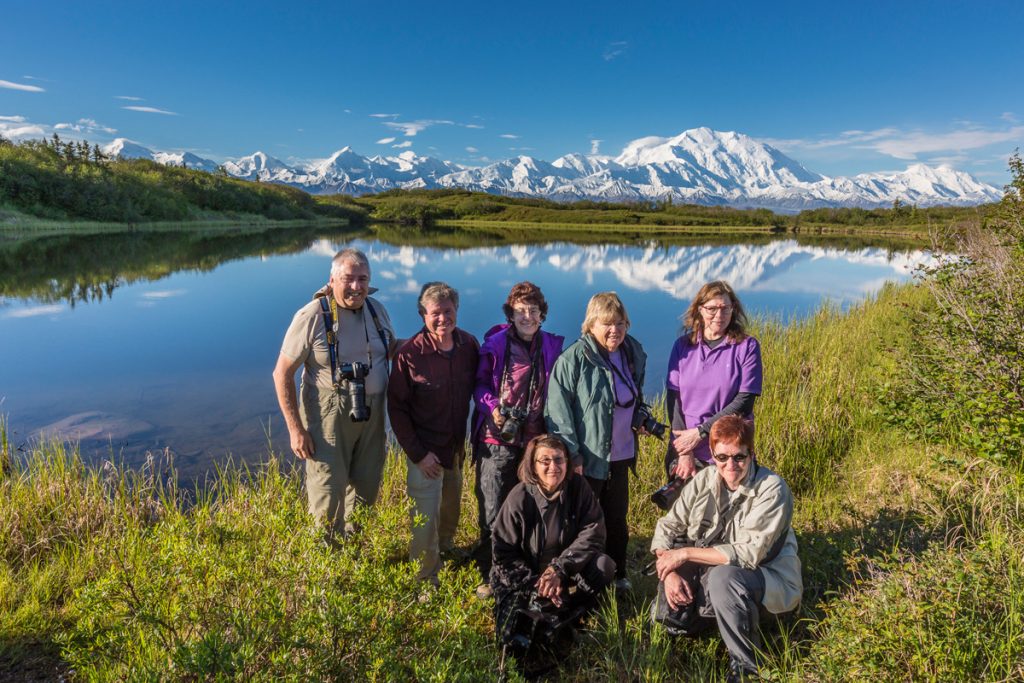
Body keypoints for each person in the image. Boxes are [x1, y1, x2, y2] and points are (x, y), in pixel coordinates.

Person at [650, 415, 801, 682]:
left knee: (723, 578)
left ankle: (745, 667)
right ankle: (698, 621)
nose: (730, 465)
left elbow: (747, 554)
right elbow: (668, 525)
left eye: (739, 457)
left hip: (766, 579)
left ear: (751, 453)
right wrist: (669, 570)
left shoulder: (772, 488)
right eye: (722, 457)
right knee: (674, 613)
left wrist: (684, 553)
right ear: (712, 454)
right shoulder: (705, 479)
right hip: (715, 568)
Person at [272, 247, 397, 539]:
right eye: (348, 278)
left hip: (373, 412)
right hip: (328, 416)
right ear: (332, 279)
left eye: (363, 279)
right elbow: (282, 373)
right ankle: (325, 568)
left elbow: (389, 350)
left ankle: (353, 555)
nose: (356, 286)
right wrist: (295, 429)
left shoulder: (377, 310)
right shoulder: (312, 315)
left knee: (367, 488)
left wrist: (430, 343)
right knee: (327, 492)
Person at [545, 291, 647, 591]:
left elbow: (631, 397)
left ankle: (618, 575)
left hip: (621, 454)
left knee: (617, 518)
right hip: (588, 459)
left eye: (620, 323)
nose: (615, 330)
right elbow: (558, 415)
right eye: (607, 323)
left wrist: (640, 417)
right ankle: (580, 577)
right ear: (590, 325)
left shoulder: (630, 353)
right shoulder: (573, 360)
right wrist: (572, 456)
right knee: (586, 521)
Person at [472, 282, 564, 599]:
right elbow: (481, 383)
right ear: (510, 313)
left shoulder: (551, 346)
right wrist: (493, 408)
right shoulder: (496, 344)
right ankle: (492, 576)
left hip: (534, 441)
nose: (526, 316)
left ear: (542, 314)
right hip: (496, 439)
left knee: (531, 508)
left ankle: (525, 569)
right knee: (494, 509)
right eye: (520, 310)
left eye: (533, 310)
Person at [388, 281, 479, 584]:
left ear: (457, 311)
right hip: (424, 452)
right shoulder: (410, 354)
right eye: (435, 313)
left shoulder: (468, 346)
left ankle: (446, 549)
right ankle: (425, 577)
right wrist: (417, 454)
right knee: (424, 520)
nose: (443, 319)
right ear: (422, 315)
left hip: (453, 448)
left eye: (448, 311)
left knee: (450, 507)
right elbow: (397, 409)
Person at [491, 435, 614, 652]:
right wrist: (536, 585)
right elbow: (503, 554)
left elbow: (593, 531)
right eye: (544, 461)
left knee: (604, 566)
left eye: (559, 459)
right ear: (533, 465)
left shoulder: (578, 487)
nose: (553, 467)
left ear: (567, 461)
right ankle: (552, 612)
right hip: (527, 579)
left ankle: (572, 613)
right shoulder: (519, 497)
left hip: (564, 572)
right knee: (515, 635)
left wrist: (559, 568)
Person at [665, 281, 762, 482]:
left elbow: (745, 401)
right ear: (700, 310)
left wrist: (700, 432)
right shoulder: (682, 346)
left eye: (725, 308)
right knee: (686, 511)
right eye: (711, 309)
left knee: (731, 510)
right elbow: (674, 401)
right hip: (688, 449)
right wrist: (684, 449)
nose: (719, 315)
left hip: (731, 452)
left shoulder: (746, 346)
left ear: (733, 309)